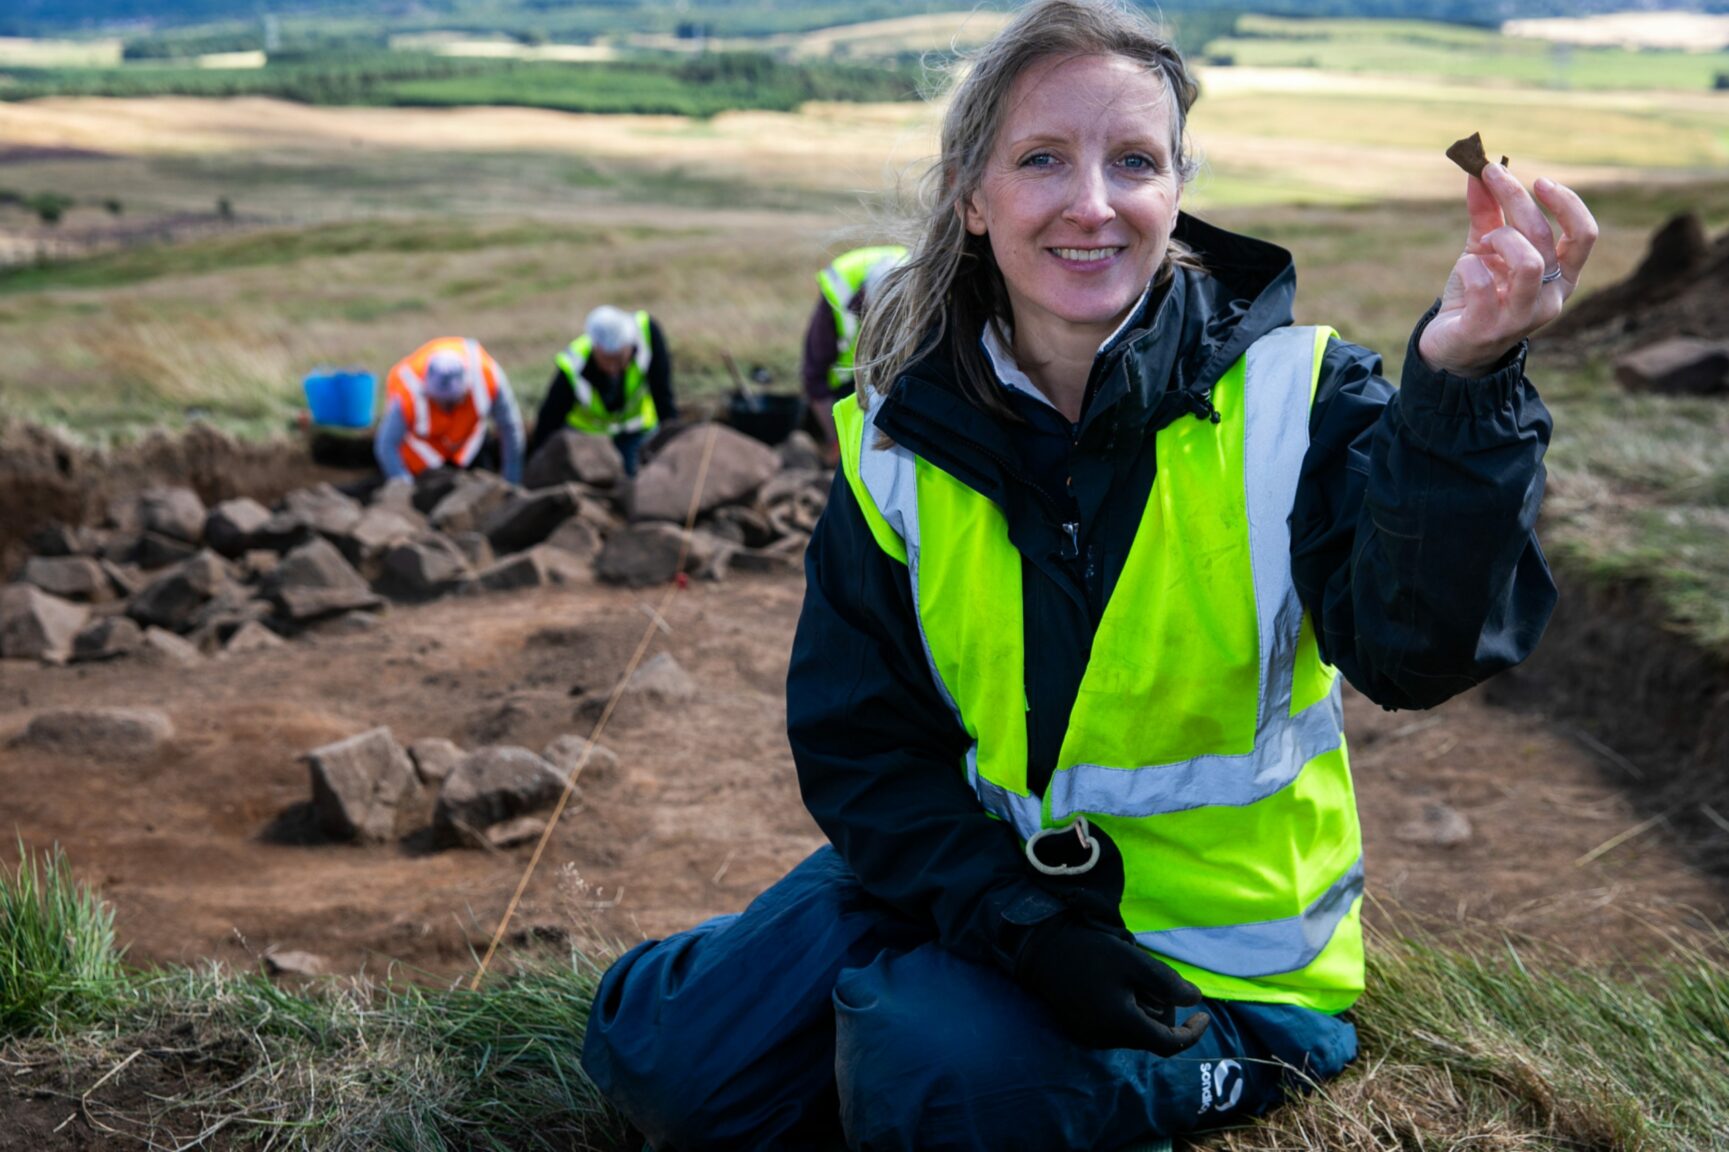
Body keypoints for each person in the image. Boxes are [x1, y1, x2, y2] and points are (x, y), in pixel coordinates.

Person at [581, 1, 1597, 1148]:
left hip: (1225, 966)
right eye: (1041, 160)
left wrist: (1460, 381)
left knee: (936, 1074)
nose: (1091, 203)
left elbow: (1418, 651)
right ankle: (812, 987)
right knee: (664, 1060)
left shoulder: (1297, 400)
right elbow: (863, 745)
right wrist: (1020, 927)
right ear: (972, 197)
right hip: (988, 898)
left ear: (1176, 190)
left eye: (1132, 161)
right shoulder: (894, 441)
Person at [528, 305, 677, 477]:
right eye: (608, 360)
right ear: (595, 348)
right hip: (591, 442)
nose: (614, 368)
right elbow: (549, 418)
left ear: (629, 345)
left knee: (639, 477)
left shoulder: (647, 336)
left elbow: (664, 396)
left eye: (620, 359)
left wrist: (672, 440)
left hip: (637, 431)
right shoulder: (574, 364)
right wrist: (537, 462)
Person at [802, 245, 907, 466]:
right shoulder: (839, 297)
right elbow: (814, 376)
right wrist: (837, 441)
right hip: (845, 385)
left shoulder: (924, 288)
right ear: (865, 303)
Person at [374, 336, 524, 486]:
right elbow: (386, 444)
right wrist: (403, 485)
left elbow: (510, 428)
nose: (444, 407)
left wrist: (511, 480)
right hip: (423, 451)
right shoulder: (408, 390)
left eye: (451, 402)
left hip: (467, 438)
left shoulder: (488, 378)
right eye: (439, 401)